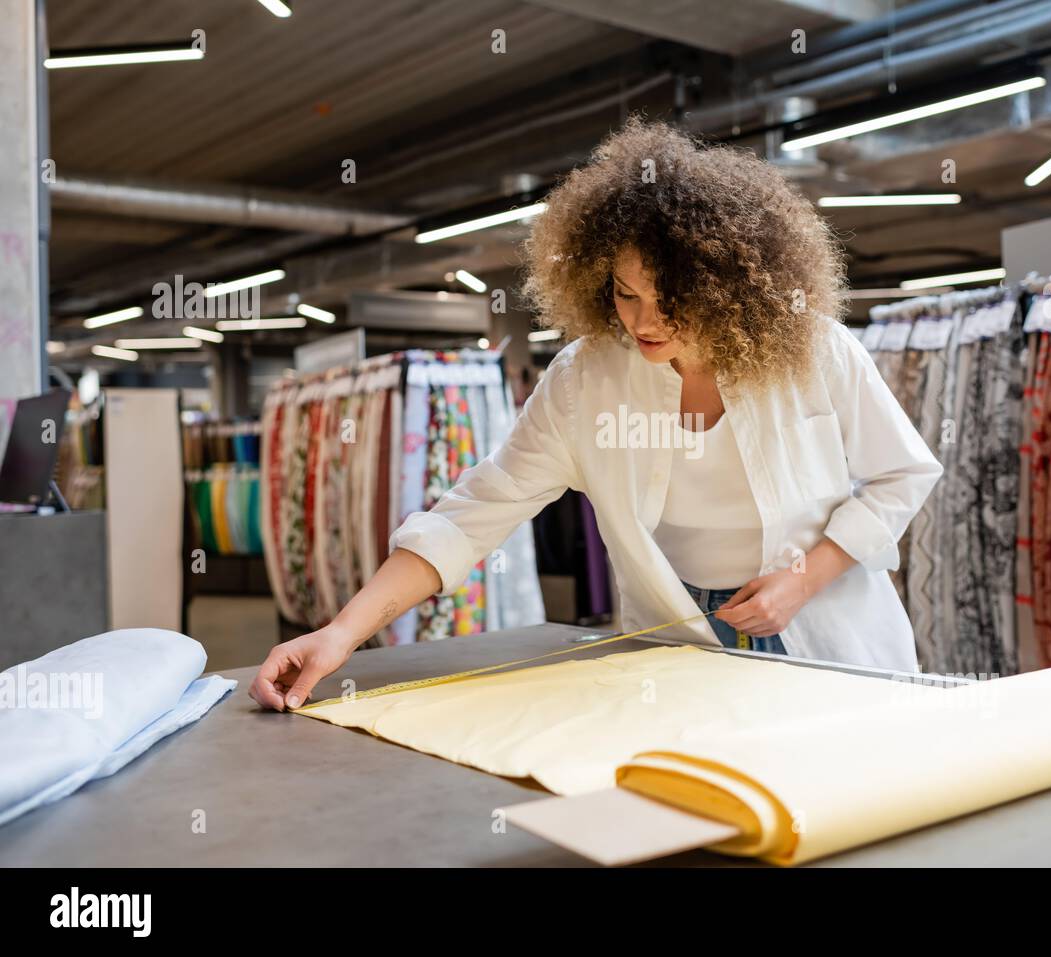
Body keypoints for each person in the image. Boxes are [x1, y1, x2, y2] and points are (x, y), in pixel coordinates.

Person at [250, 117, 942, 712]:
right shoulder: (586, 380)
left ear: (728, 286)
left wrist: (804, 577)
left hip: (825, 624)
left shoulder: (813, 348)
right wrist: (340, 633)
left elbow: (902, 475)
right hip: (677, 638)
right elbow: (472, 513)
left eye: (671, 296)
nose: (644, 320)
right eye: (624, 292)